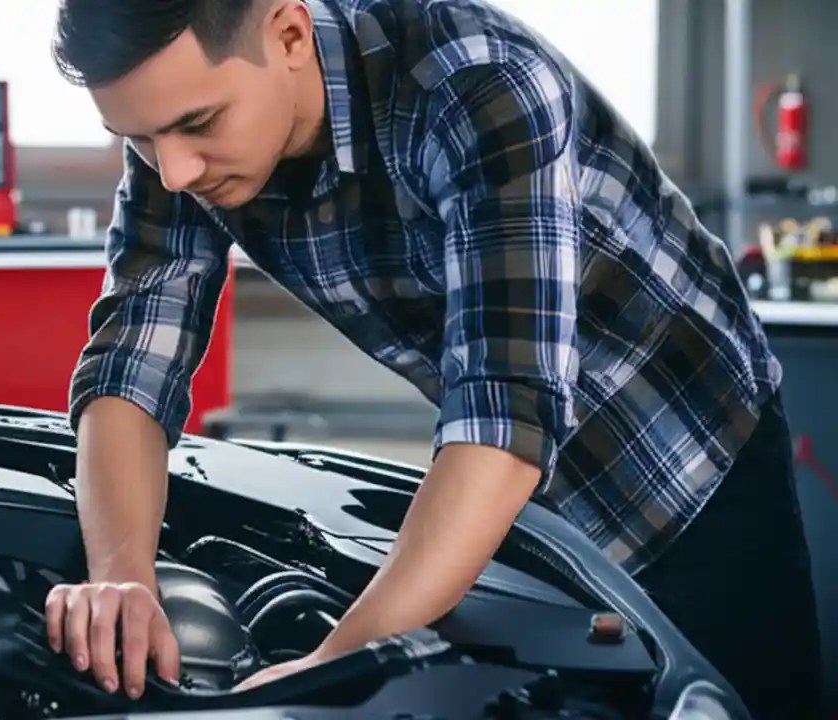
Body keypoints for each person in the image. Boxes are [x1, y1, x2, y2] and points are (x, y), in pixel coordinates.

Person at [42, 0, 825, 716]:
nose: (174, 170)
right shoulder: (175, 144)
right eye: (138, 139)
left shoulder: (478, 83)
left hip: (686, 449)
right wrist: (121, 574)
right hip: (525, 500)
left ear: (287, 33)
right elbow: (131, 362)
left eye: (198, 123)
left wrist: (332, 669)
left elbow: (503, 415)